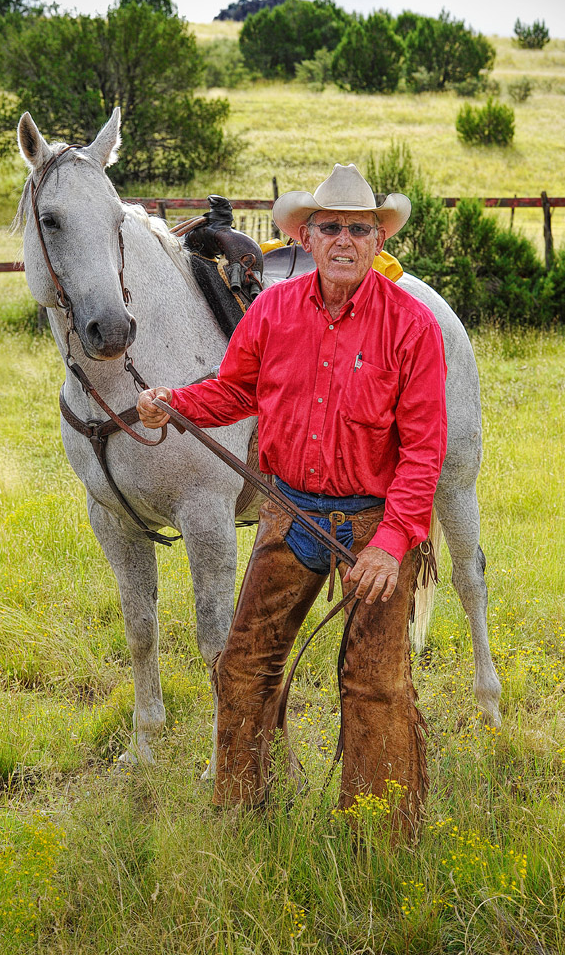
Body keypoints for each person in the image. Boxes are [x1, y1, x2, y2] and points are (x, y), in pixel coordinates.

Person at [137, 164, 447, 832]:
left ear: (376, 239)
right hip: (293, 510)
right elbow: (234, 391)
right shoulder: (274, 310)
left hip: (374, 523)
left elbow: (423, 454)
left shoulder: (410, 326)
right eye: (329, 226)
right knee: (245, 663)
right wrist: (175, 403)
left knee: (373, 685)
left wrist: (392, 547)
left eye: (358, 229)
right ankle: (244, 806)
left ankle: (379, 829)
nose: (343, 239)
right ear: (305, 237)